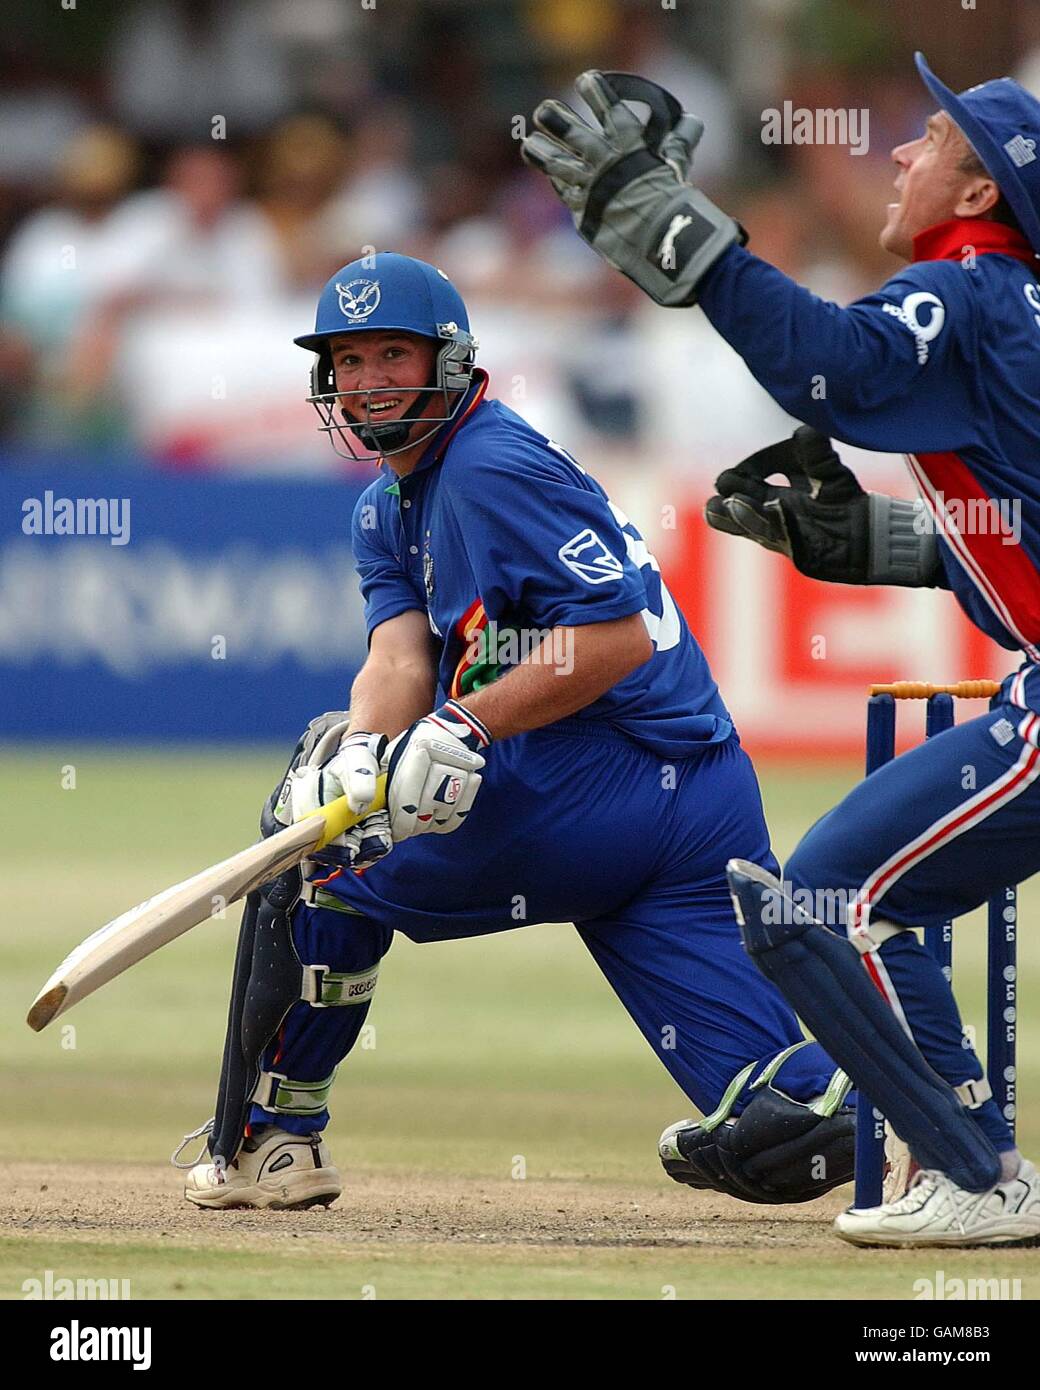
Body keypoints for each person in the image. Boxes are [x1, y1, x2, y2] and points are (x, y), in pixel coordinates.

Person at [173, 251, 854, 1210]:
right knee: (786, 1125)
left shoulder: (488, 465)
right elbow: (400, 661)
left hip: (607, 778)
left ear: (448, 361)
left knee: (324, 856)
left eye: (392, 356)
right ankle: (921, 1100)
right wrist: (368, 751)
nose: (368, 382)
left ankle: (273, 1141)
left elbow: (611, 639)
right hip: (699, 796)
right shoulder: (386, 504)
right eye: (350, 360)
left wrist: (460, 726)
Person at [521, 56, 1040, 1246]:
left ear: (975, 199)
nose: (901, 154)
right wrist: (874, 541)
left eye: (928, 142)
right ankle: (958, 1156)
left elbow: (831, 369)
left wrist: (675, 232)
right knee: (863, 901)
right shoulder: (1010, 312)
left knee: (811, 897)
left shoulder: (962, 291)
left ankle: (978, 1173)